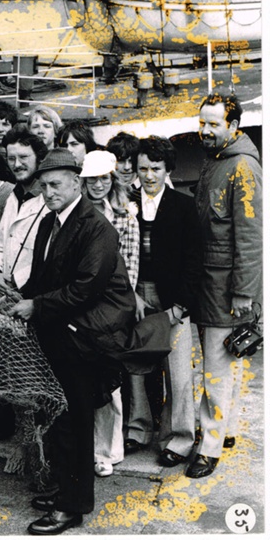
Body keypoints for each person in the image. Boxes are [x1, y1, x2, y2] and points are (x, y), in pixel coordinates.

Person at [11, 149, 136, 535]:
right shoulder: (51, 222)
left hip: (88, 336)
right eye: (44, 186)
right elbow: (48, 276)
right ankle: (66, 488)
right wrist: (19, 296)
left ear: (76, 183)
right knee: (61, 418)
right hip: (64, 331)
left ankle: (72, 506)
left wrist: (35, 305)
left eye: (55, 185)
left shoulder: (97, 227)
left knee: (75, 420)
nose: (47, 193)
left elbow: (84, 288)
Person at [188, 93, 262, 478]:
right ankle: (227, 430)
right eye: (203, 122)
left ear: (234, 126)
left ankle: (209, 448)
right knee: (226, 366)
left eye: (214, 124)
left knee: (216, 370)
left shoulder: (242, 168)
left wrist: (244, 294)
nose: (205, 130)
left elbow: (251, 238)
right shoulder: (215, 161)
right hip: (211, 281)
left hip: (226, 287)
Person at [121, 137, 202, 472]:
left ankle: (179, 439)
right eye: (143, 169)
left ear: (168, 169)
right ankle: (138, 430)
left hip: (172, 299)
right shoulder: (126, 201)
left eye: (155, 168)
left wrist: (180, 306)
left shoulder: (183, 206)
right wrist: (130, 293)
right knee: (137, 363)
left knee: (179, 371)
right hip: (137, 293)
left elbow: (194, 260)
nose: (149, 175)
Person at [78, 150, 140, 478]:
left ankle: (106, 452)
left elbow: (130, 268)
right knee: (81, 382)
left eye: (104, 178)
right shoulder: (76, 214)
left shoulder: (124, 215)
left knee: (110, 383)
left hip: (112, 308)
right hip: (80, 308)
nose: (99, 184)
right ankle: (80, 449)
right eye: (92, 179)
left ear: (112, 179)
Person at [0, 125, 50, 294]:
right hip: (8, 294)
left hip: (36, 294)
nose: (17, 164)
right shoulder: (13, 197)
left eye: (23, 157)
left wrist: (16, 279)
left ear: (38, 157)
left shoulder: (49, 200)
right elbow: (0, 243)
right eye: (11, 158)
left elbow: (50, 255)